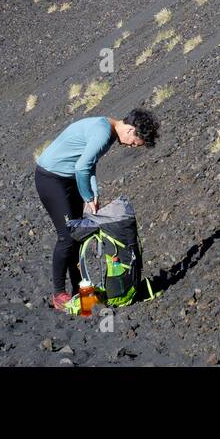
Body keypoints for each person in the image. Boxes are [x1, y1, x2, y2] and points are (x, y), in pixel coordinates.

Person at [34, 109, 159, 310]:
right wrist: (87, 197)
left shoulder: (107, 131)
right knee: (66, 237)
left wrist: (94, 194)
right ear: (130, 129)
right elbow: (82, 167)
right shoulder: (103, 132)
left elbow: (88, 166)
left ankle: (79, 291)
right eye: (134, 143)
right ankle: (59, 294)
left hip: (67, 179)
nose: (130, 146)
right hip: (51, 178)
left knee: (78, 234)